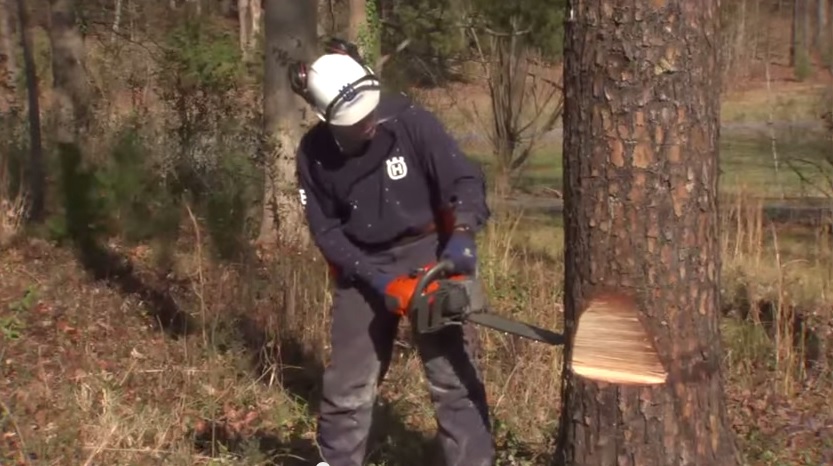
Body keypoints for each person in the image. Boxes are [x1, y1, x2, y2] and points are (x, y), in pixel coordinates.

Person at [290, 38, 494, 466]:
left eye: (369, 114)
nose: (367, 124)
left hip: (431, 251)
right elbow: (326, 233)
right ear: (326, 119)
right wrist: (381, 282)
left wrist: (461, 236)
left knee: (453, 377)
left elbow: (464, 182)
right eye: (353, 122)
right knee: (348, 385)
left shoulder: (412, 122)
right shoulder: (314, 156)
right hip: (362, 265)